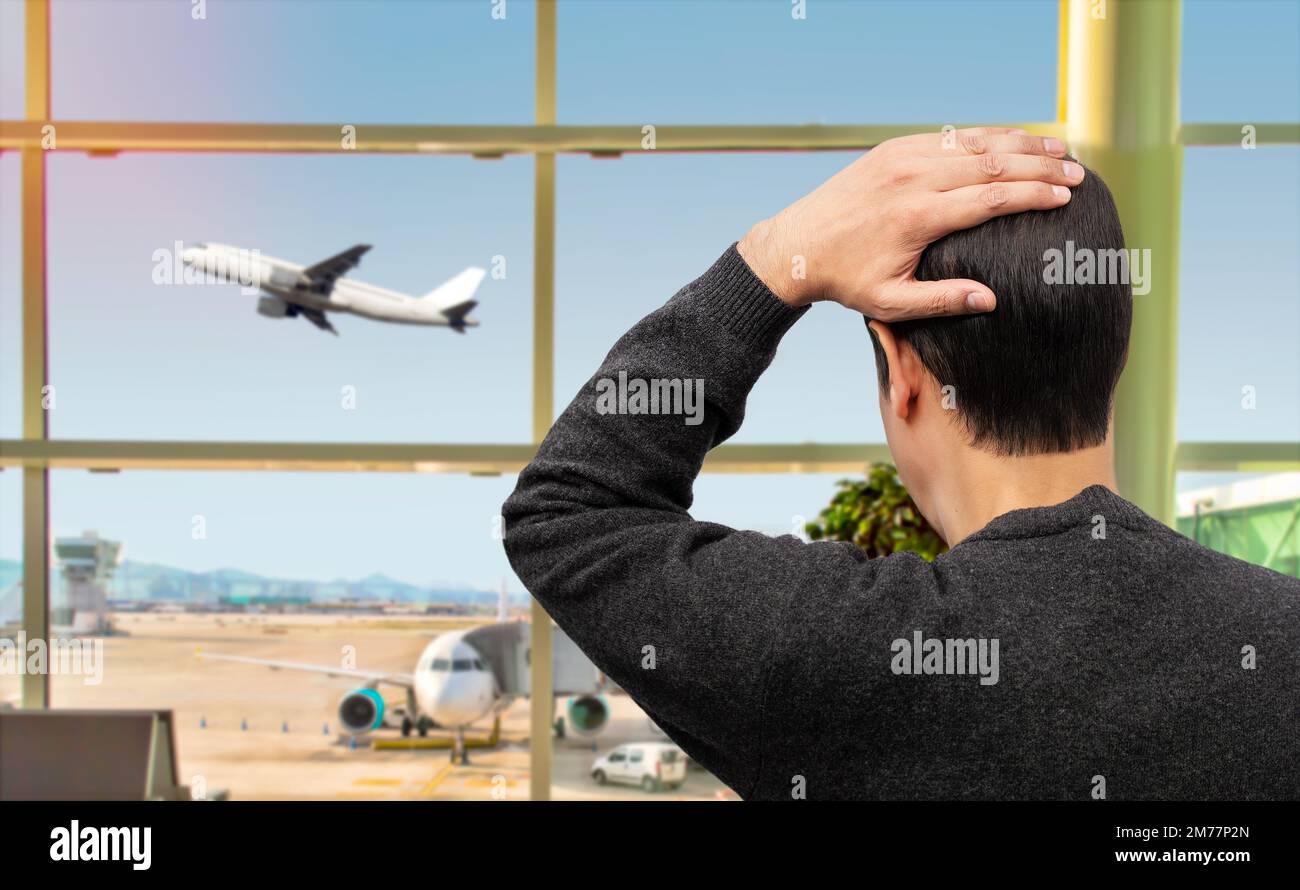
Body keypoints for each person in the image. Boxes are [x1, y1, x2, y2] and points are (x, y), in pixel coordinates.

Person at [502, 128, 1299, 800]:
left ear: (904, 374)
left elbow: (569, 514)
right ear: (1112, 357)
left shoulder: (832, 655)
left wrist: (777, 258)